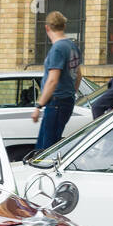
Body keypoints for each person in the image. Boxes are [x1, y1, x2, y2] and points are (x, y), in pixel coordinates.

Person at [31, 10, 81, 152]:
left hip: (56, 103)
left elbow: (52, 80)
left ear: (47, 27)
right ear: (64, 26)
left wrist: (38, 106)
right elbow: (78, 75)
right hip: (66, 101)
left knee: (46, 149)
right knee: (50, 144)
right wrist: (71, 93)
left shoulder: (58, 49)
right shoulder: (73, 47)